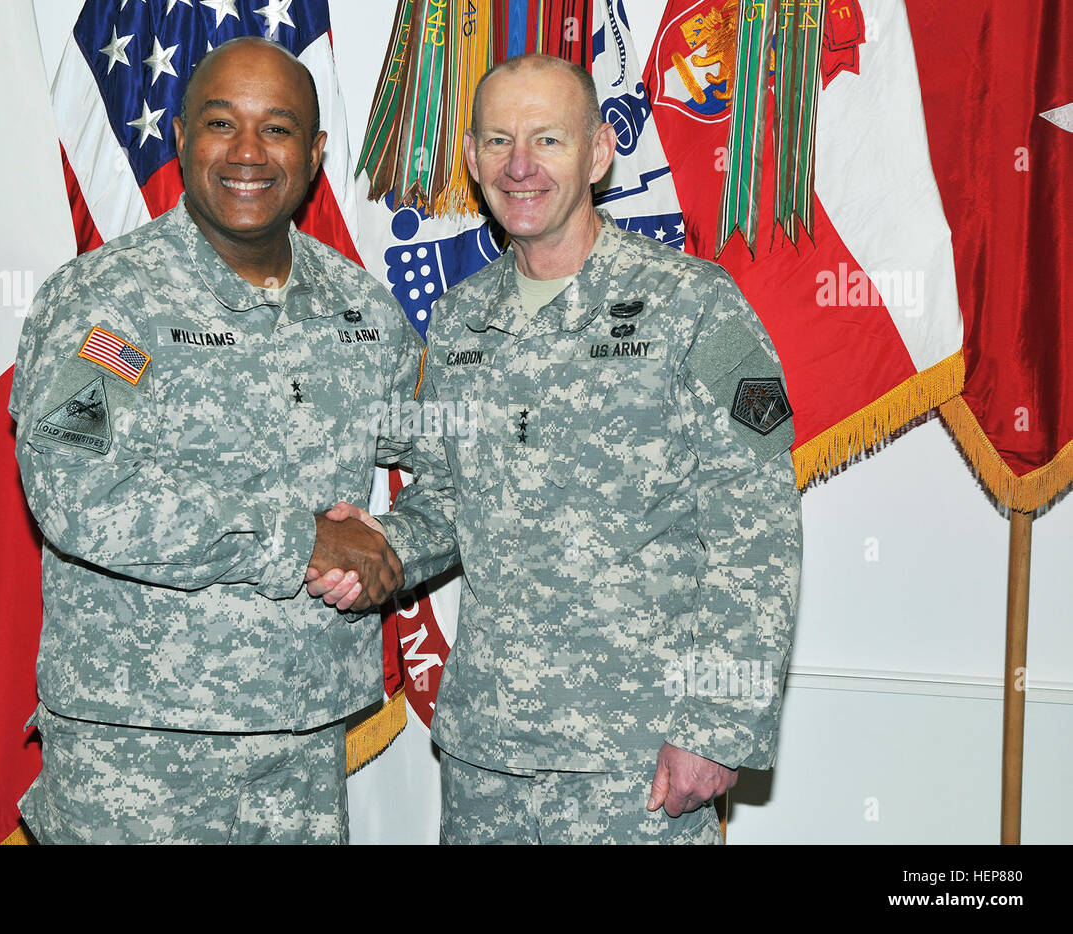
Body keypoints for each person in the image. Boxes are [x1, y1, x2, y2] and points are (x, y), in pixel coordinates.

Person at [310, 54, 802, 844]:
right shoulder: (462, 318)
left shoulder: (697, 306)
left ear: (599, 152)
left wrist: (716, 725)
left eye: (548, 140)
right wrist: (374, 544)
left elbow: (759, 530)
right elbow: (443, 498)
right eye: (499, 141)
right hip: (486, 755)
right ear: (471, 159)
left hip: (637, 760)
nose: (521, 166)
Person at [9, 36, 415, 844]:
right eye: (221, 124)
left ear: (315, 151)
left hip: (301, 751)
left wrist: (389, 547)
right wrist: (299, 542)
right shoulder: (109, 306)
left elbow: (448, 468)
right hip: (138, 757)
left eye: (277, 129)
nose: (247, 154)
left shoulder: (363, 315)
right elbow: (78, 490)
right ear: (183, 135)